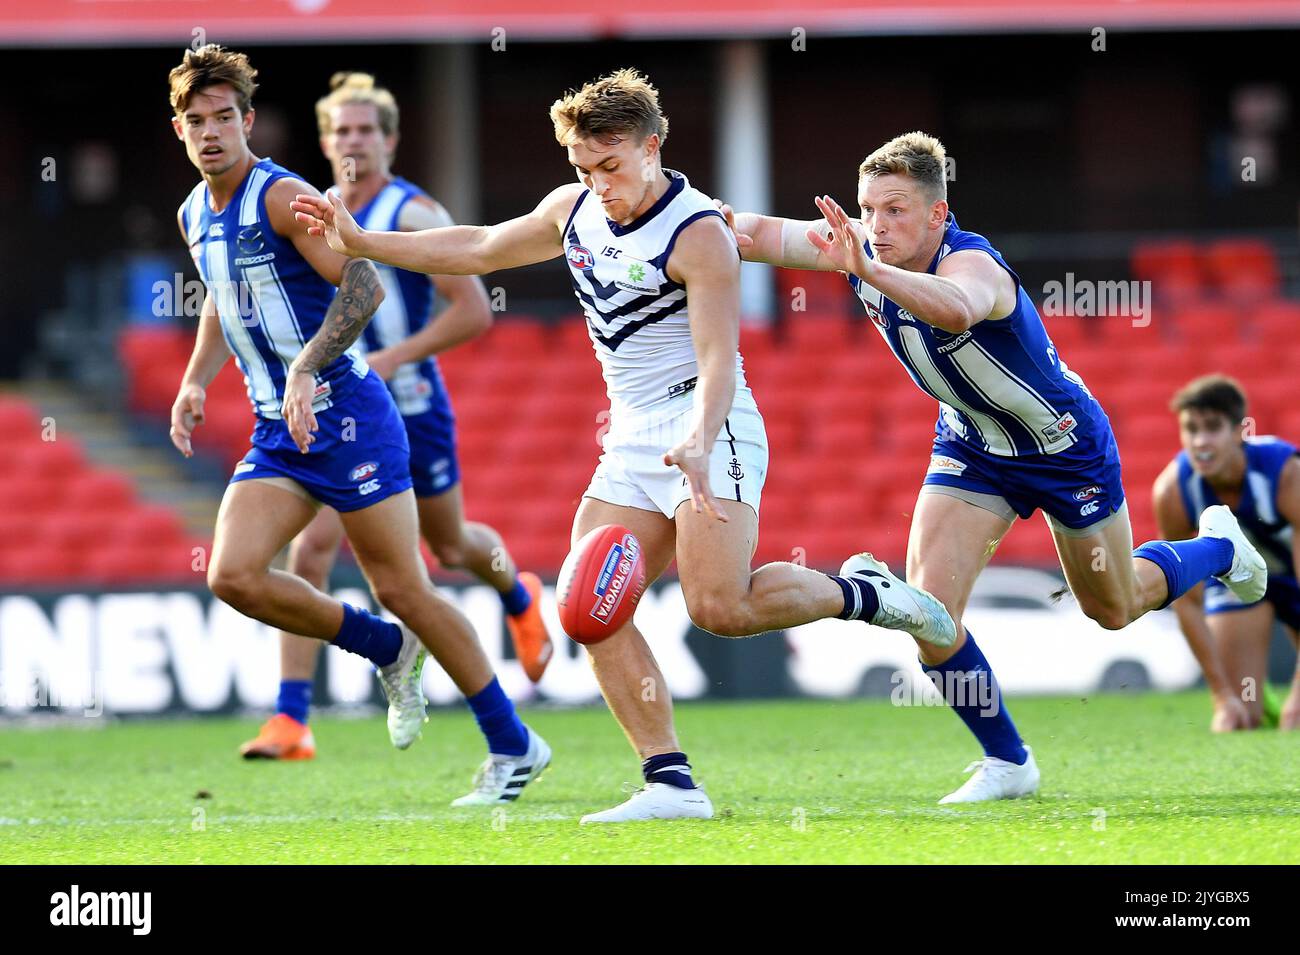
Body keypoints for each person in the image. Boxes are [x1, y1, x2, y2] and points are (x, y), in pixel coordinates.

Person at [292, 70, 957, 823]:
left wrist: (701, 443)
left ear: (652, 147)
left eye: (609, 165)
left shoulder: (698, 230)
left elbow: (716, 360)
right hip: (633, 433)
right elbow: (477, 246)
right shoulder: (572, 209)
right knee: (588, 607)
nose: (596, 183)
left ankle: (868, 592)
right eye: (582, 167)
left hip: (712, 422)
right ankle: (670, 780)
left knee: (719, 607)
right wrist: (362, 241)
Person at [721, 130, 1269, 802]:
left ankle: (1219, 546)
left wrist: (868, 270)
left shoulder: (971, 264)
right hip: (974, 445)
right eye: (869, 209)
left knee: (1117, 607)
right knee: (928, 613)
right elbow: (749, 232)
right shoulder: (856, 247)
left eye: (895, 210)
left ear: (937, 215)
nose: (876, 225)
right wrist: (683, 216)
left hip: (1064, 450)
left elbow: (956, 310)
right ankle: (1009, 762)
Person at [167, 45, 548, 805]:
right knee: (232, 574)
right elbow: (219, 293)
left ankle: (515, 744)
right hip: (281, 430)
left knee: (407, 585)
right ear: (178, 128)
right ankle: (383, 647)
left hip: (350, 417)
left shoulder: (282, 197)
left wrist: (307, 364)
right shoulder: (191, 212)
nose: (211, 134)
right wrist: (192, 381)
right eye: (195, 121)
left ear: (248, 121)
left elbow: (366, 283)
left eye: (223, 119)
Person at [1152, 374, 1300, 731]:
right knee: (1238, 717)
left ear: (1239, 432)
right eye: (1191, 429)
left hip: (1292, 577)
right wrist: (1221, 695)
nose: (1200, 442)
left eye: (1213, 427)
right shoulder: (1173, 491)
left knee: (1297, 720)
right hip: (1239, 584)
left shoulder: (1287, 475)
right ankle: (1258, 703)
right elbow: (1186, 600)